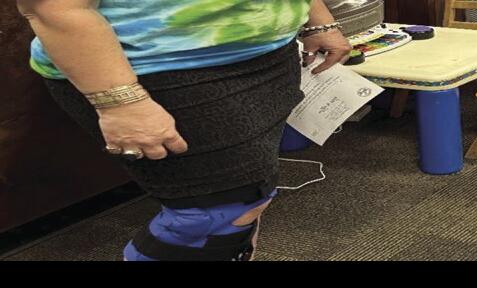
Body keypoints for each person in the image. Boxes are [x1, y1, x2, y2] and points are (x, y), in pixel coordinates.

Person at [18, 0, 353, 261]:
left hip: (266, 56)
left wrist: (317, 16)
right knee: (210, 217)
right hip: (152, 66)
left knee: (250, 197)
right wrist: (122, 103)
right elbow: (51, 8)